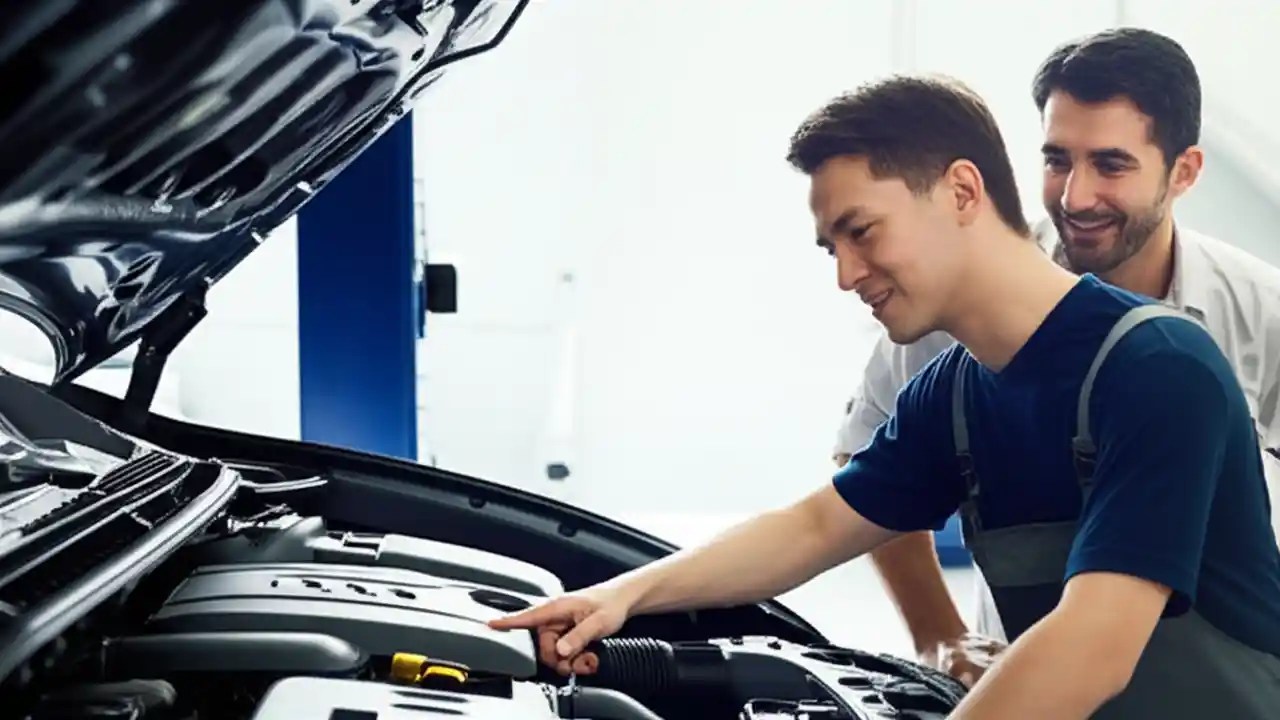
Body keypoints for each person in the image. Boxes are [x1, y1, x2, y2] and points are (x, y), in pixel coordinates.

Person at [490, 71, 1280, 718]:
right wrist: (617, 597)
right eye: (831, 246)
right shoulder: (955, 392)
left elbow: (1096, 643)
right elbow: (814, 525)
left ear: (962, 192)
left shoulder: (1159, 366)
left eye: (862, 231)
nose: (845, 274)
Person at [830, 27, 1280, 687]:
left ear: (1183, 171)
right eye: (1058, 159)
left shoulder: (1261, 310)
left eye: (1111, 164)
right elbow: (860, 465)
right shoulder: (960, 303)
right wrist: (940, 633)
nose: (1075, 196)